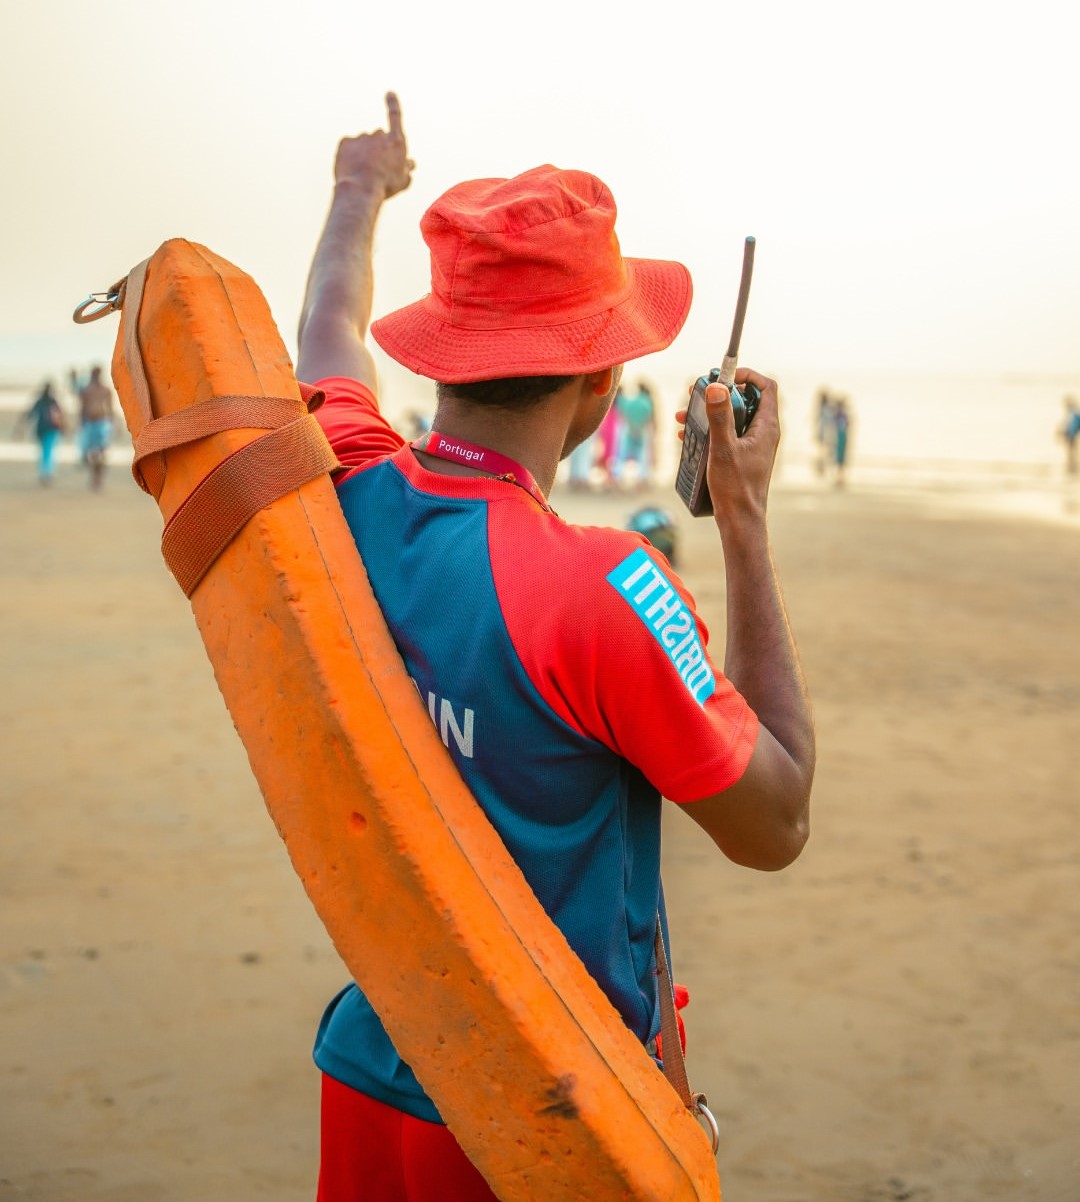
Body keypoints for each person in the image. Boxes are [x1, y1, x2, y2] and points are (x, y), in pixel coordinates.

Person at [297, 94, 815, 1202]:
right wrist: (744, 517)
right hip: (545, 1111)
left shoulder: (343, 488)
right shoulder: (606, 587)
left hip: (374, 1064)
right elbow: (776, 821)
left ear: (444, 354)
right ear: (602, 379)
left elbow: (329, 331)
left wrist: (358, 189)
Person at [17, 380, 66, 485]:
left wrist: (20, 428)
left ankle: (44, 472)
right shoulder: (53, 402)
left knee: (44, 452)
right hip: (51, 430)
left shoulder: (40, 402)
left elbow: (30, 414)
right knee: (49, 452)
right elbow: (60, 416)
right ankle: (47, 472)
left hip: (41, 430)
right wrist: (64, 428)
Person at [613, 378, 657, 488]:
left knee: (621, 456)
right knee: (642, 458)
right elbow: (649, 418)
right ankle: (642, 479)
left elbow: (622, 407)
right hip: (642, 432)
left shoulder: (631, 402)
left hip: (629, 432)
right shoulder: (646, 402)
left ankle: (616, 477)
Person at [77, 366, 116, 490]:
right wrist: (81, 423)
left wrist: (112, 424)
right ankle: (95, 478)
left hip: (102, 423)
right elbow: (82, 407)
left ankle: (99, 478)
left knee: (101, 452)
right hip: (90, 423)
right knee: (93, 453)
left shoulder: (105, 390)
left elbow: (110, 408)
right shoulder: (86, 390)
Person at [1060, 395, 1080, 477]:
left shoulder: (1074, 414)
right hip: (1070, 435)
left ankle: (1072, 467)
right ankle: (1071, 466)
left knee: (1071, 452)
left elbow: (1074, 425)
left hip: (1071, 436)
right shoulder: (1072, 414)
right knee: (1070, 452)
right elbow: (1069, 425)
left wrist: (1068, 433)